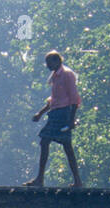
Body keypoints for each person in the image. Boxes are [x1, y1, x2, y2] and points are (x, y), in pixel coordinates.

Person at [25, 51, 83, 188]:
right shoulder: (55, 76)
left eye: (49, 62)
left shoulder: (67, 74)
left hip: (64, 113)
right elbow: (53, 100)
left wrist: (71, 119)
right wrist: (40, 113)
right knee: (50, 143)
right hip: (56, 112)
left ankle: (76, 181)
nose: (47, 66)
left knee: (58, 144)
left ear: (57, 61)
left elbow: (74, 98)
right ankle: (41, 179)